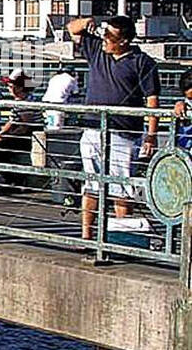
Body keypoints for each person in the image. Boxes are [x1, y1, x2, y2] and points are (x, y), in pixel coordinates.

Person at [66, 14, 160, 246]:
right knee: (91, 184)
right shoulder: (97, 49)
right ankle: (87, 236)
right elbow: (72, 29)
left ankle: (121, 238)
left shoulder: (143, 62)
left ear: (124, 41)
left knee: (120, 186)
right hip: (92, 128)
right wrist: (88, 21)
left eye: (110, 37)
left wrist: (151, 134)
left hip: (123, 133)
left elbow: (152, 99)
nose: (105, 39)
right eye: (105, 35)